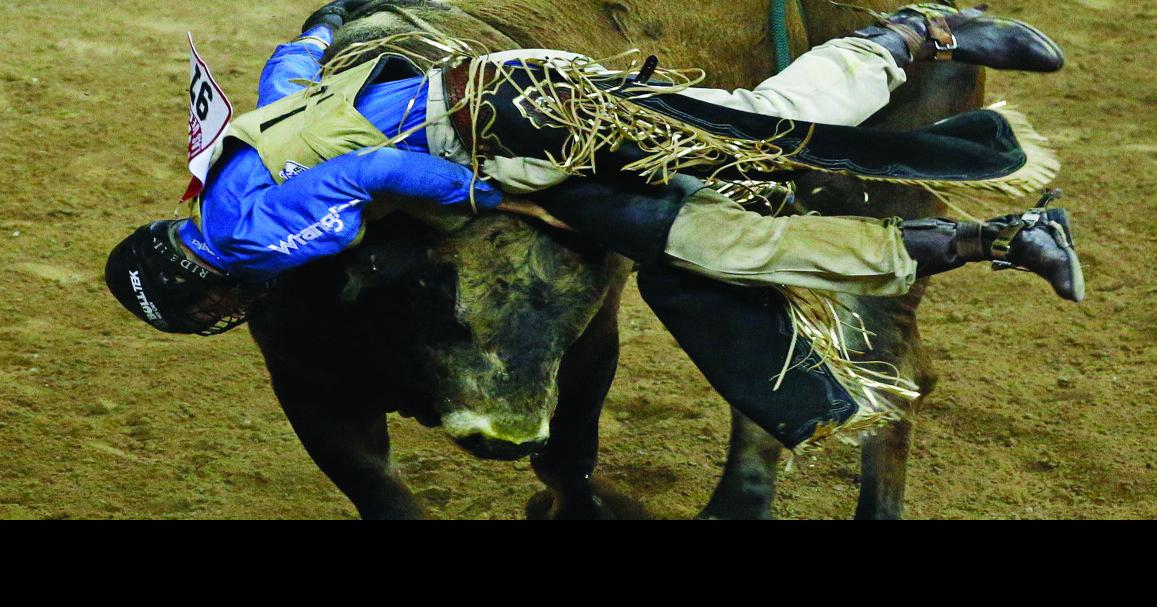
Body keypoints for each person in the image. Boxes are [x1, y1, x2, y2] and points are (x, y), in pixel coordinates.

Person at [105, 1, 1083, 449]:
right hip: (498, 120)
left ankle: (917, 31)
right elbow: (289, 70)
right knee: (696, 236)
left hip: (511, 125)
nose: (225, 311)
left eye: (208, 309)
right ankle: (991, 240)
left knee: (743, 135)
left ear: (204, 283)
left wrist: (484, 201)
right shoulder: (225, 168)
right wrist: (326, 24)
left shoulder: (247, 243)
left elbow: (371, 170)